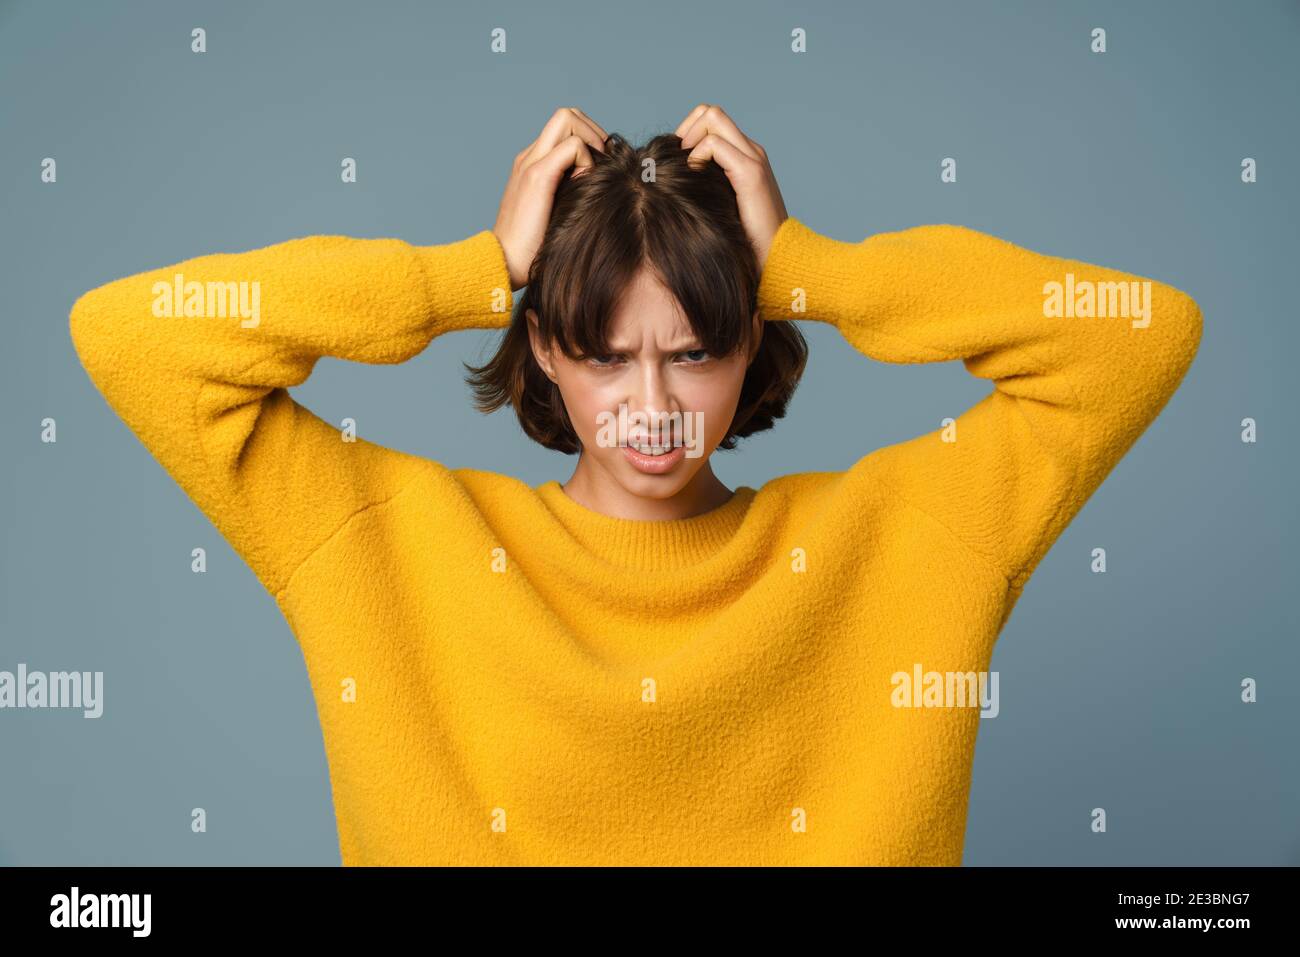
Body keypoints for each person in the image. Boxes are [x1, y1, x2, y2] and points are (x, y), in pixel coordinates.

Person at [69, 104, 1203, 865]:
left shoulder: (902, 534)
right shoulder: (389, 537)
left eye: (695, 350)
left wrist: (815, 270)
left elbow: (1139, 337)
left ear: (752, 344)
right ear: (547, 351)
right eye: (606, 353)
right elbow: (132, 338)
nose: (652, 406)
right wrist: (470, 274)